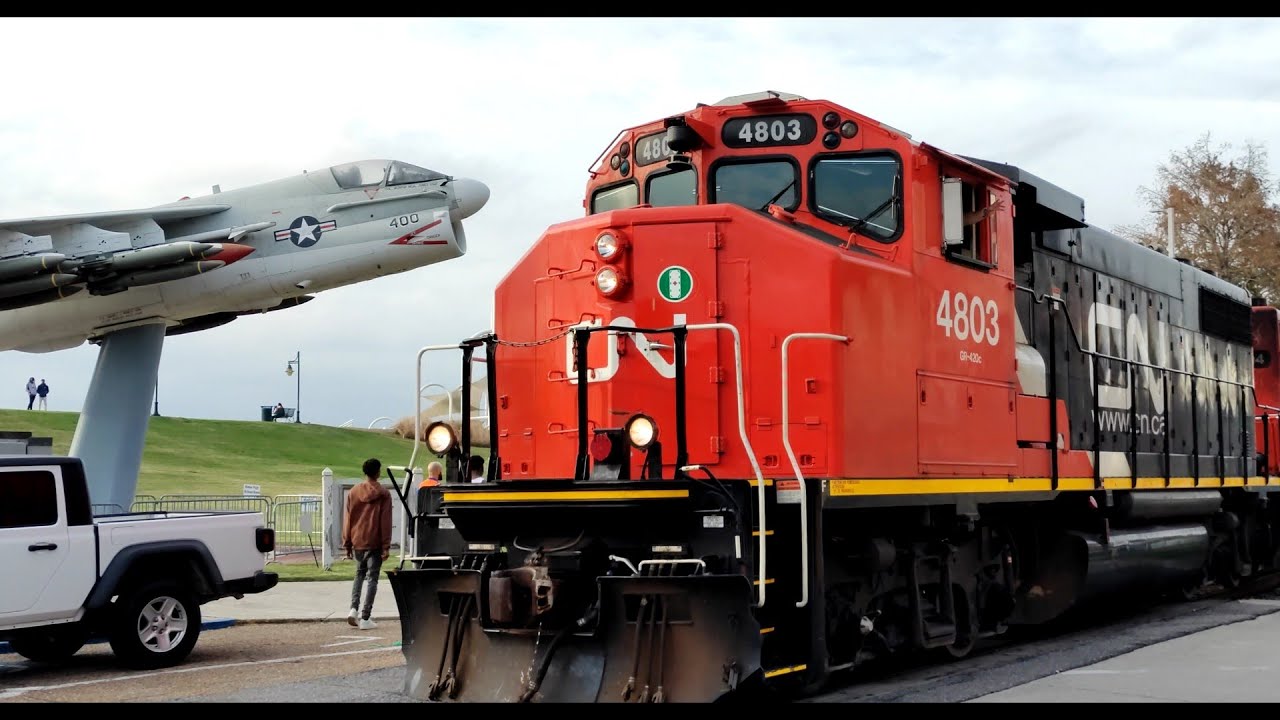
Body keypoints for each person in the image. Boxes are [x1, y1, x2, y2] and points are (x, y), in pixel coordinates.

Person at [341, 457, 392, 630]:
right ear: (378, 472)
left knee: (359, 574)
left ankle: (353, 609)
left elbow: (348, 519)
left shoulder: (354, 492)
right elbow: (385, 521)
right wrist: (386, 546)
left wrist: (347, 544)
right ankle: (365, 617)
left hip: (357, 540)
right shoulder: (384, 493)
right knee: (373, 578)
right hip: (375, 541)